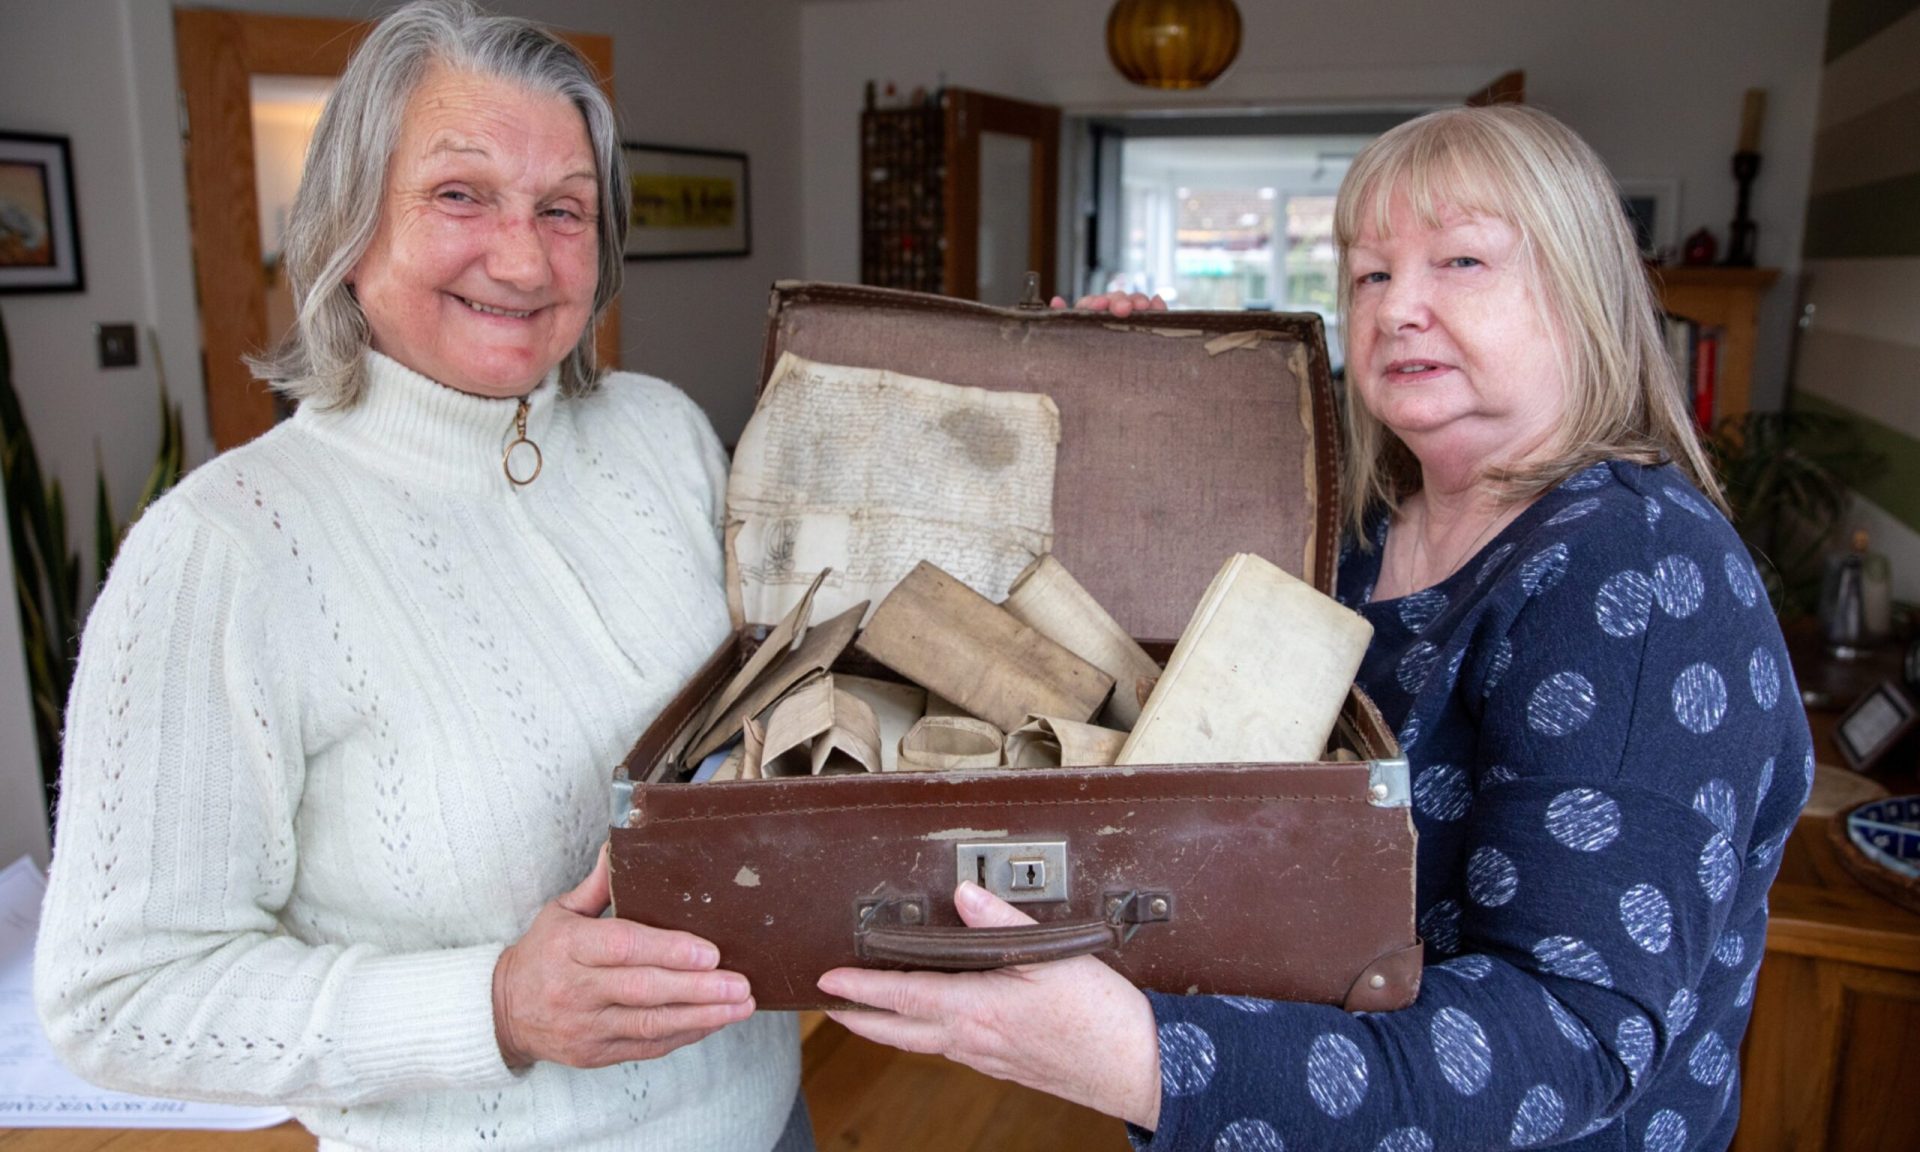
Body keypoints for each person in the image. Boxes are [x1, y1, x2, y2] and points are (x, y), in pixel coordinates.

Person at [824, 105, 1810, 1152]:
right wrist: (1122, 396)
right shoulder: (1371, 522)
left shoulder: (1643, 574)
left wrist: (1136, 1056)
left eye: (1461, 261)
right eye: (1372, 274)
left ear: (1583, 293)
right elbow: (1143, 663)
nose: (1399, 309)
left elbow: (1567, 1044)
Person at [34, 3, 808, 1149]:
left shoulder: (663, 432)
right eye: (460, 195)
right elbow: (116, 998)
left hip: (770, 1121)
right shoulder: (224, 550)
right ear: (349, 224)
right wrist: (494, 1005)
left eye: (564, 210)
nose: (522, 255)